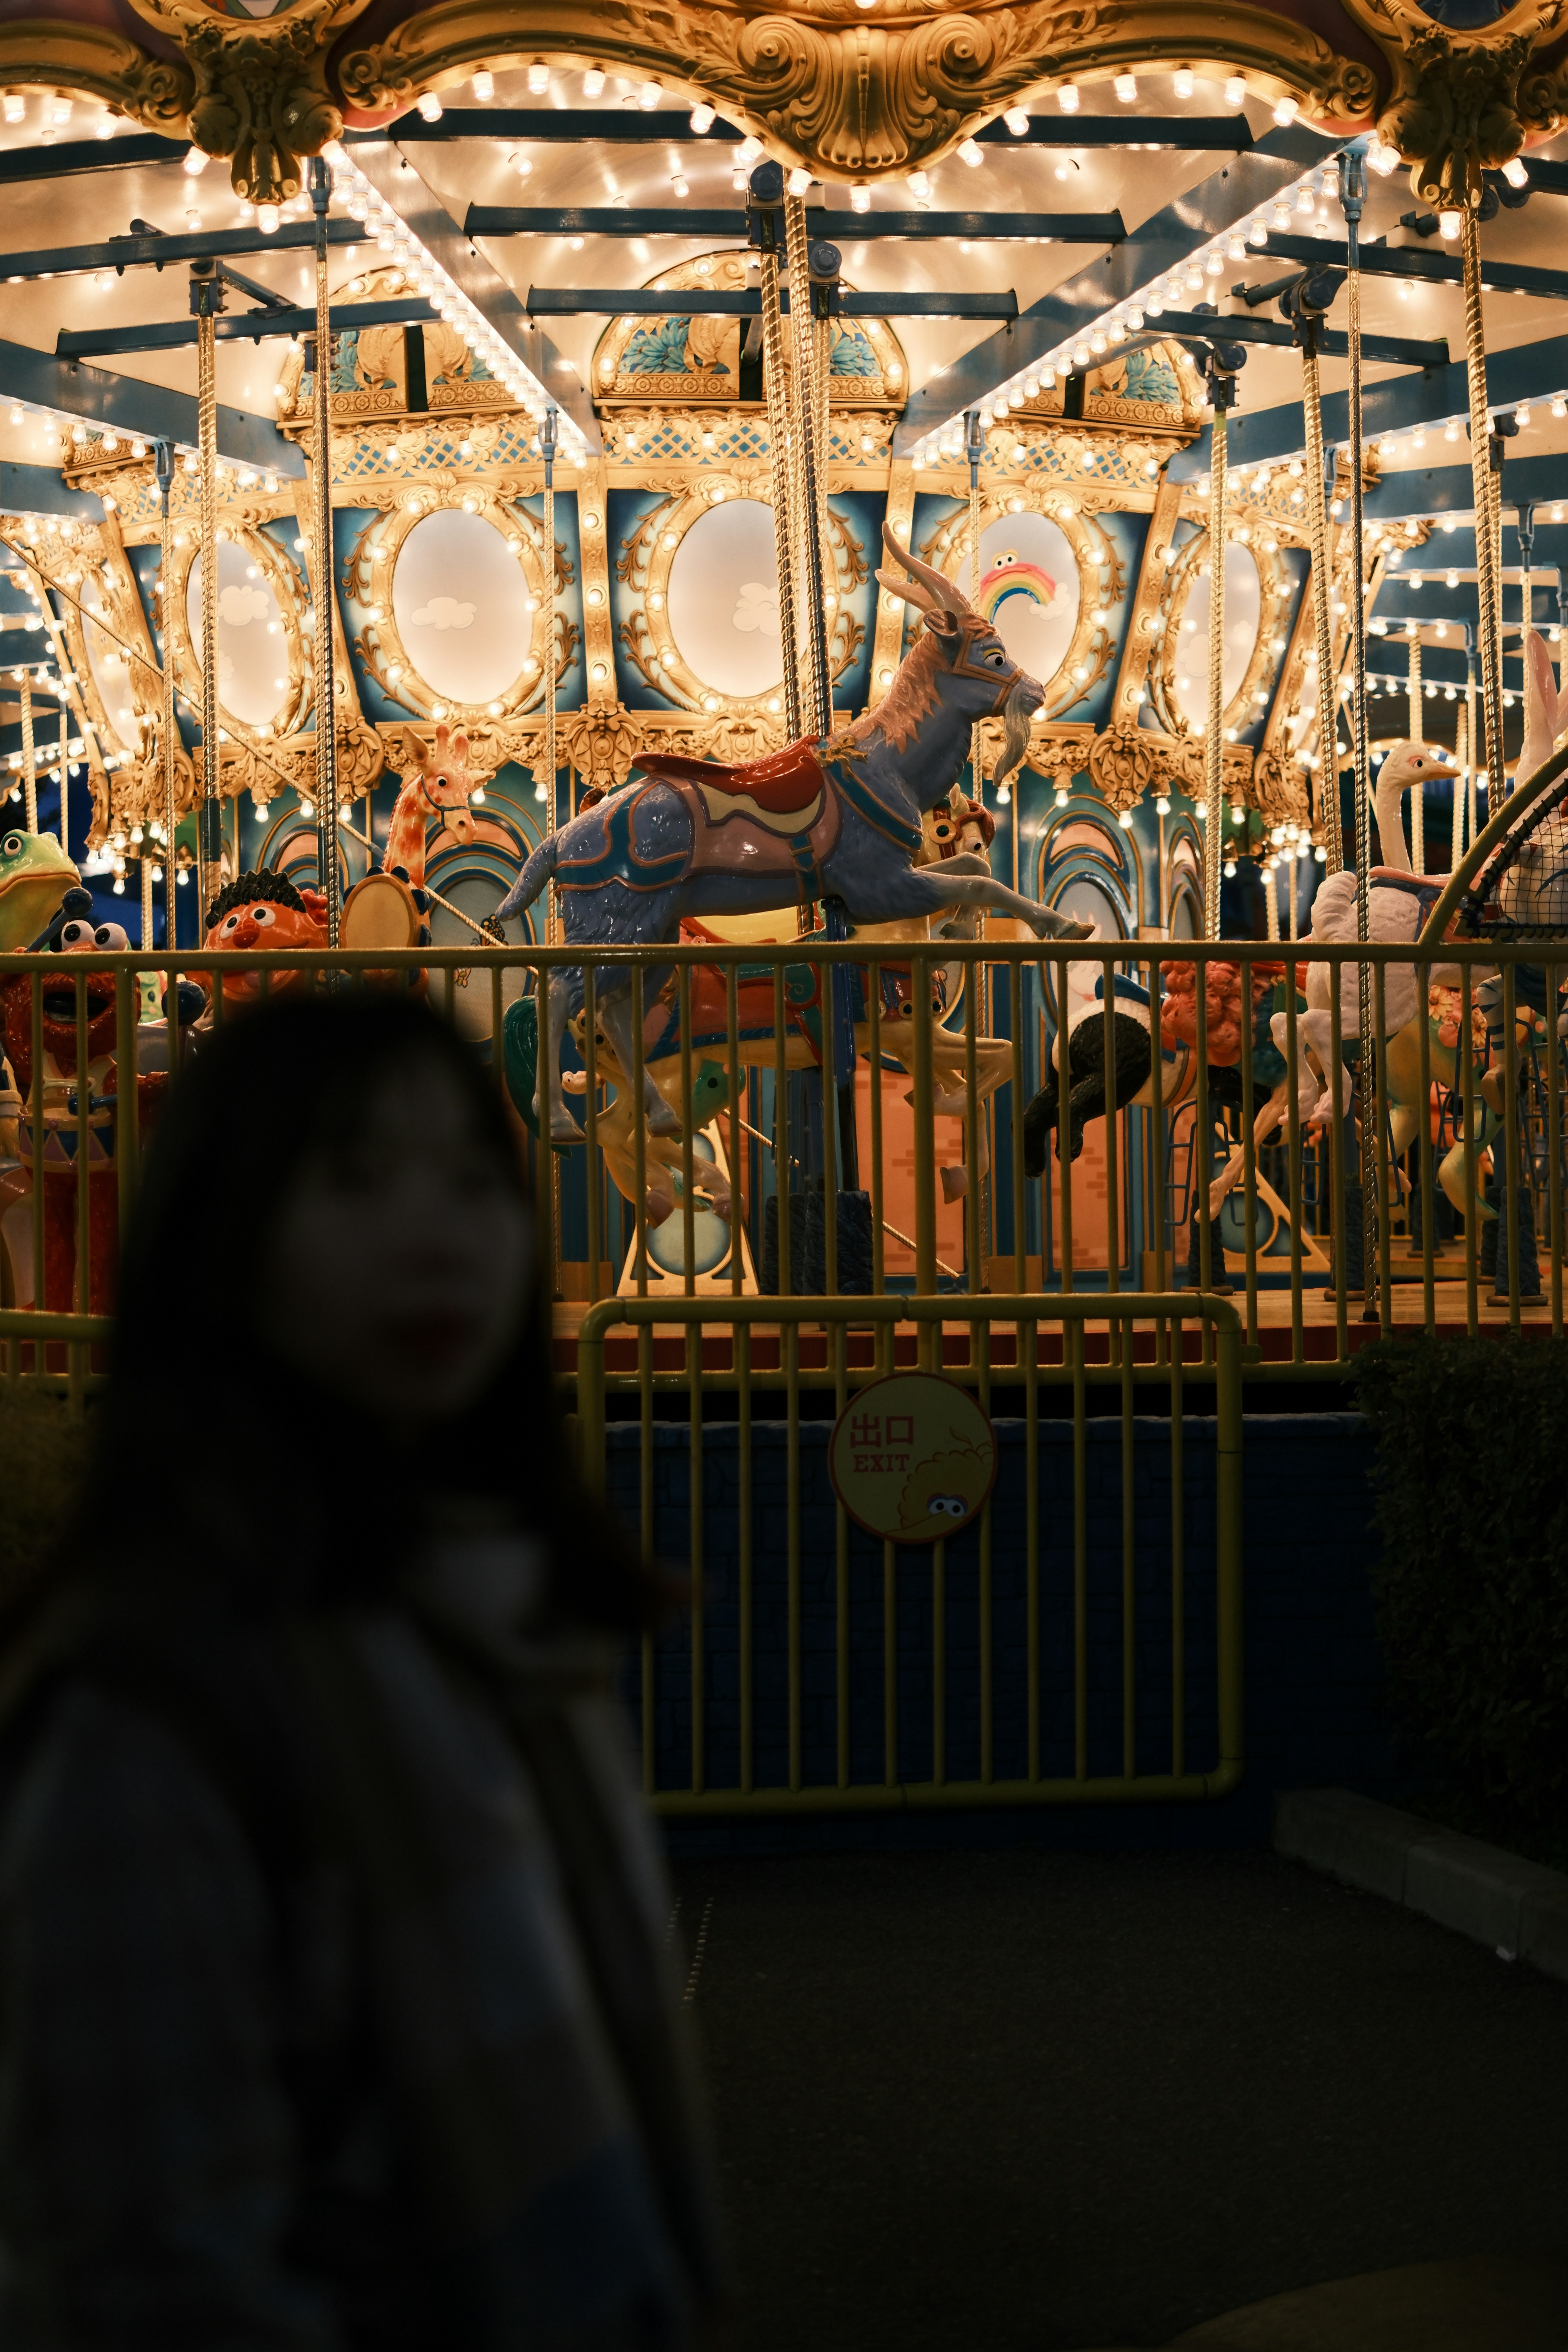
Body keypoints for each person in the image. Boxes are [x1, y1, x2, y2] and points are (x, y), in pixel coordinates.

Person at [0, 991, 728, 2350]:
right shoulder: (145, 1710)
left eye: (470, 1176)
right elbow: (144, 2269)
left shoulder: (500, 1620)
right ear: (223, 1233)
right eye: (353, 1177)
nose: (433, 1230)